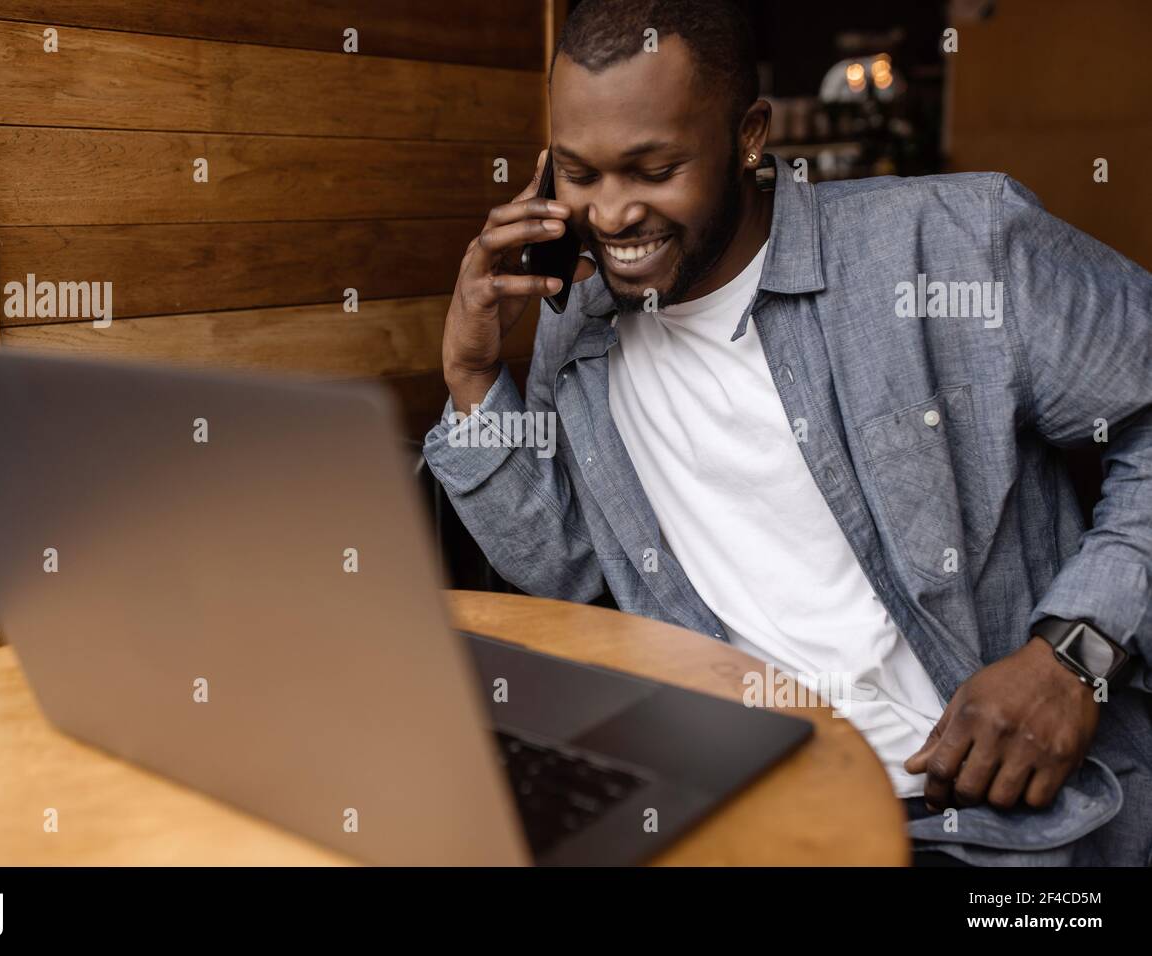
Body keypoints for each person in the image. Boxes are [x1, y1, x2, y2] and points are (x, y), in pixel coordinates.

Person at [424, 0, 1152, 865]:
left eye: (653, 169)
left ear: (749, 135)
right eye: (579, 175)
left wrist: (1076, 655)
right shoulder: (578, 326)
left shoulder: (957, 246)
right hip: (731, 797)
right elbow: (577, 578)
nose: (612, 216)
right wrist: (473, 382)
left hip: (983, 827)